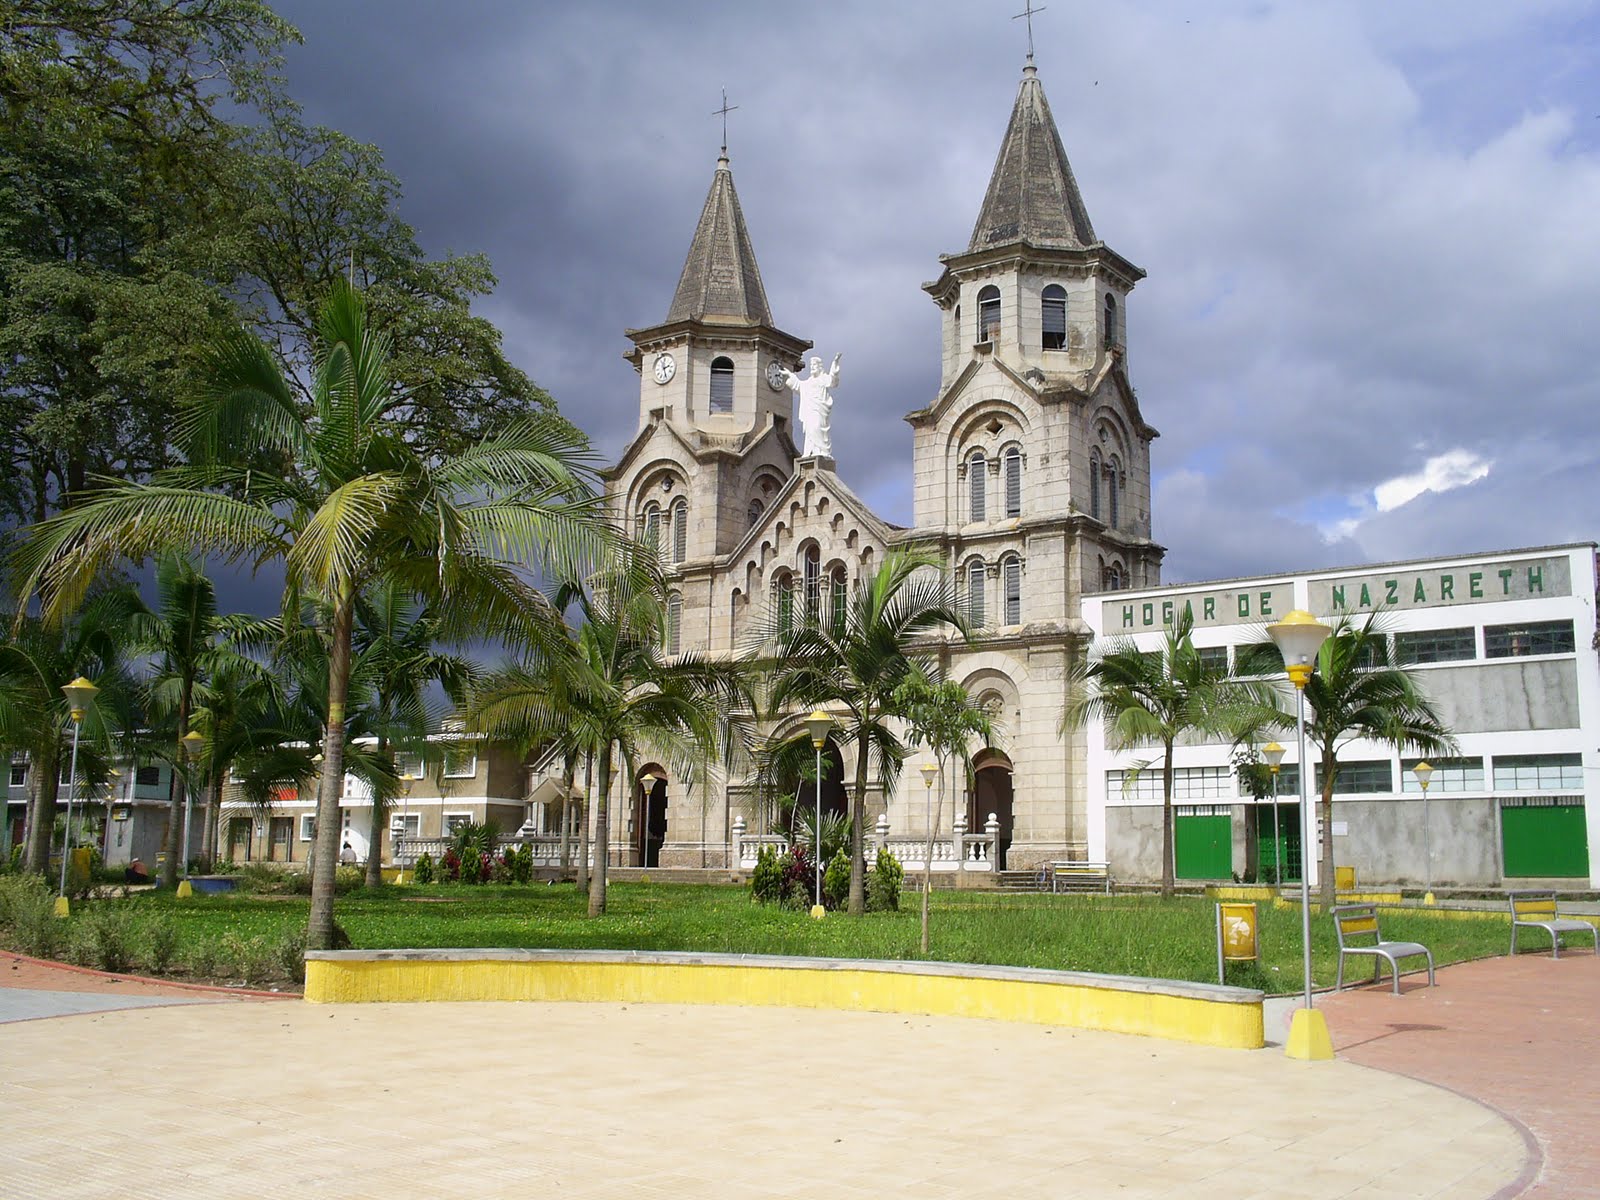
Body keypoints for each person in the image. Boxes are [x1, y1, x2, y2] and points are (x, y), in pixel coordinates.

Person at [782, 352, 842, 458]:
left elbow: (833, 380)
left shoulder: (823, 379)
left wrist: (835, 363)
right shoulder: (808, 382)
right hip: (810, 410)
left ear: (819, 367)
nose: (812, 368)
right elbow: (799, 386)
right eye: (811, 366)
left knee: (817, 427)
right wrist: (790, 375)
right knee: (810, 430)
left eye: (814, 366)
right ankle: (810, 452)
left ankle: (822, 451)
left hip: (820, 409)